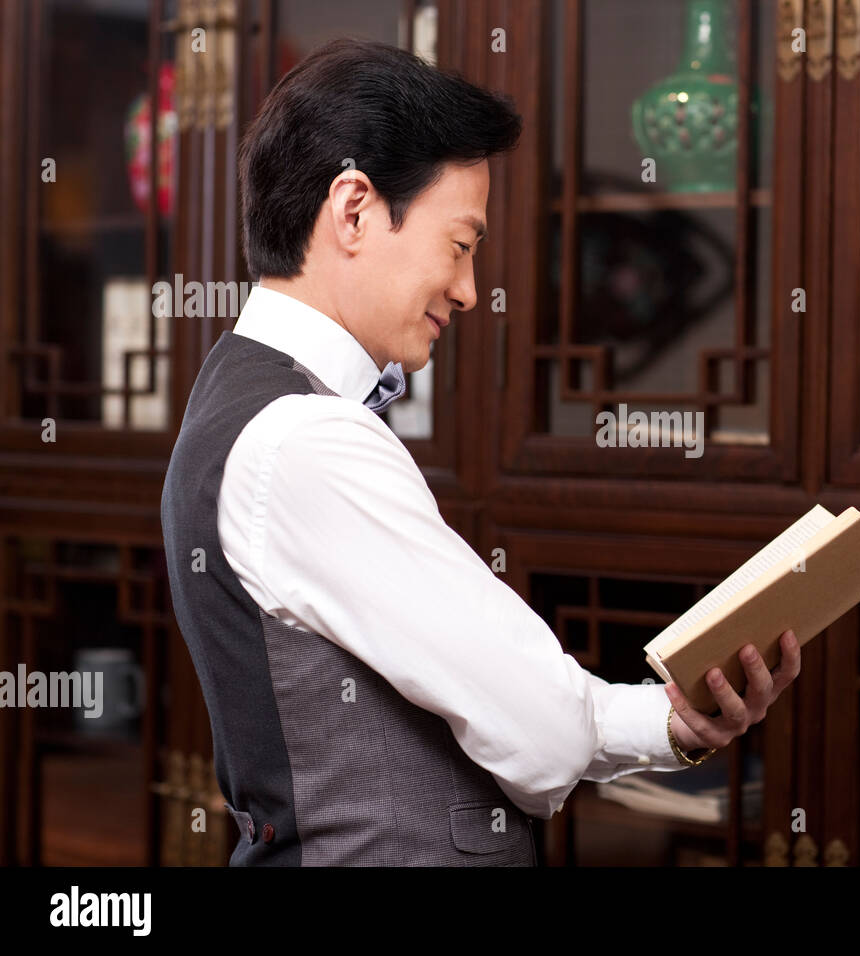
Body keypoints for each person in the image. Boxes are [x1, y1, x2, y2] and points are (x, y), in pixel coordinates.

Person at [160, 37, 801, 867]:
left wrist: (670, 722)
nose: (467, 289)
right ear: (353, 209)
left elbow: (527, 708)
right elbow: (542, 734)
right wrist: (618, 722)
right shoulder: (306, 438)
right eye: (460, 246)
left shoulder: (245, 397)